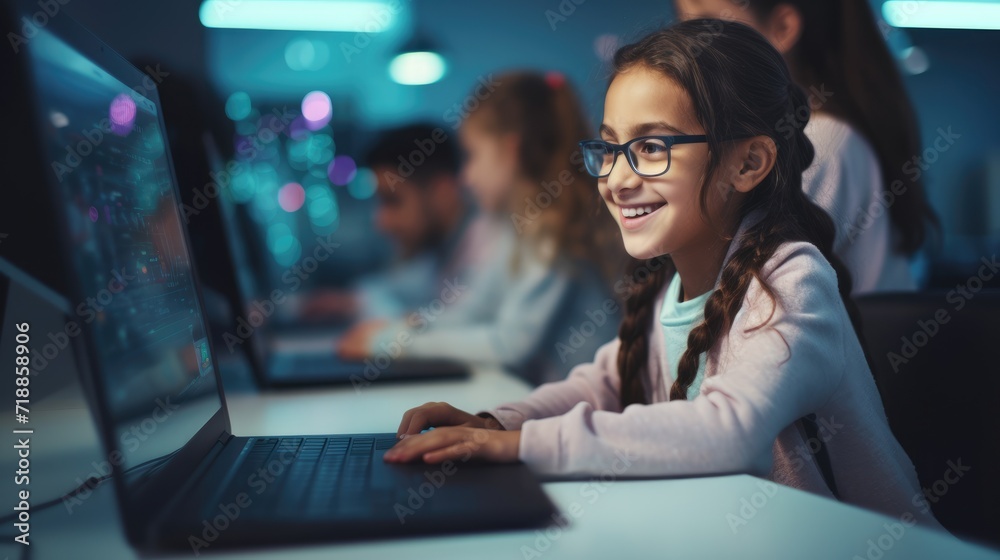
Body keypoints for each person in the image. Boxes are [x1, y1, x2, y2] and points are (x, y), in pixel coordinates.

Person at [382, 20, 942, 530]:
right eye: (609, 147)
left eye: (651, 147)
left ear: (748, 163)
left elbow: (729, 431)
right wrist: (495, 423)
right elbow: (601, 384)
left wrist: (525, 444)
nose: (616, 180)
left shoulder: (791, 281)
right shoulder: (668, 287)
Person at [338, 71, 625, 385]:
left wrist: (390, 344)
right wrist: (401, 329)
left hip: (590, 411)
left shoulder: (553, 234)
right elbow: (472, 311)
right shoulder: (512, 229)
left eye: (472, 157)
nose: (465, 177)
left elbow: (509, 344)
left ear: (509, 150)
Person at [671, 0, 937, 293]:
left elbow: (726, 300)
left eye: (708, 27)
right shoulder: (806, 136)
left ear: (782, 28)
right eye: (683, 24)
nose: (689, 49)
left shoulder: (820, 144)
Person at [303, 123, 475, 321]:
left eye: (392, 201)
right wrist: (352, 301)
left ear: (442, 192)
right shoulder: (445, 249)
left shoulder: (486, 250)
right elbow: (407, 284)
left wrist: (361, 306)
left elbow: (449, 328)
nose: (381, 222)